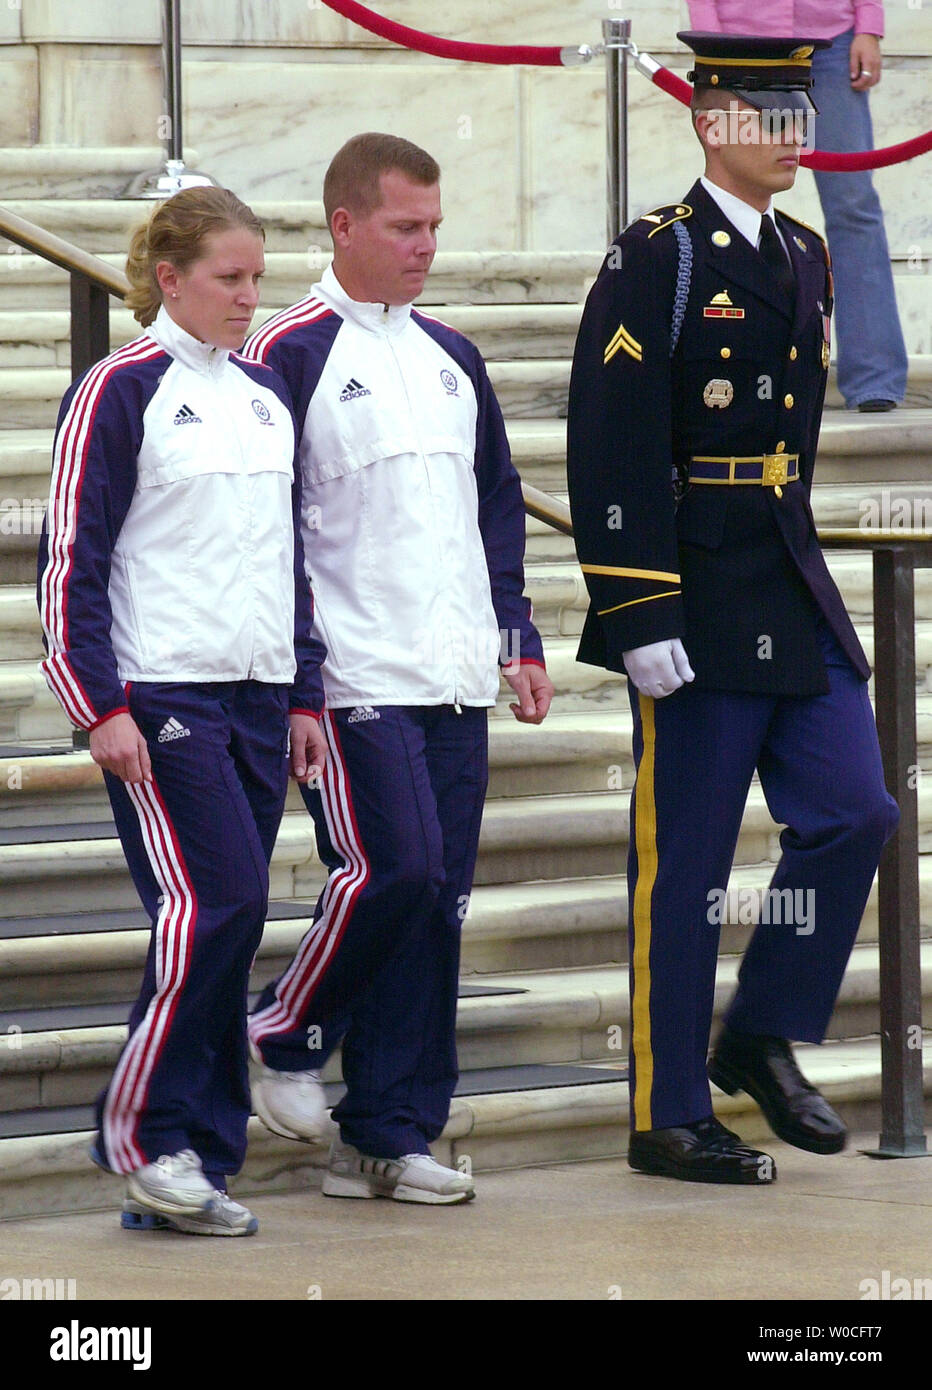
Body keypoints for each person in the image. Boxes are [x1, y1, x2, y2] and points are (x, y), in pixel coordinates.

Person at [566, 34, 899, 1185]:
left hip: (785, 569)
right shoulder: (654, 256)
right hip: (694, 587)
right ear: (711, 122)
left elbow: (791, 443)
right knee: (688, 860)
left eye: (798, 112)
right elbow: (608, 437)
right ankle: (664, 1111)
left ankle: (756, 1031)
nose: (792, 135)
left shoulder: (803, 252)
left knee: (855, 809)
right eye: (768, 115)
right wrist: (634, 601)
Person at [243, 132, 554, 1205]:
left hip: (455, 671)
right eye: (403, 226)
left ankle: (385, 1130)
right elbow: (264, 522)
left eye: (432, 225)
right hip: (350, 678)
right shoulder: (286, 351)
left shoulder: (451, 355)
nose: (426, 245)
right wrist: (298, 677)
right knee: (398, 869)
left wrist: (513, 631)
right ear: (343, 225)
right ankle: (285, 1029)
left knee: (439, 902)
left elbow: (495, 503)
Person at [37, 186, 328, 1234]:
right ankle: (150, 1139)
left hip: (255, 697)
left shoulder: (260, 394)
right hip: (159, 698)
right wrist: (97, 702)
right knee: (211, 906)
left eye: (256, 277)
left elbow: (288, 559)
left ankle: (199, 1152)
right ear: (170, 278)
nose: (251, 297)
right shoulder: (119, 390)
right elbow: (73, 558)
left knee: (237, 913)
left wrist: (301, 690)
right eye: (229, 279)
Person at [687, 2, 908, 411]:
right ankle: (742, 370)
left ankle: (875, 377)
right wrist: (711, 38)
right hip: (744, 42)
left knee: (854, 206)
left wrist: (869, 26)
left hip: (832, 42)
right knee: (736, 203)